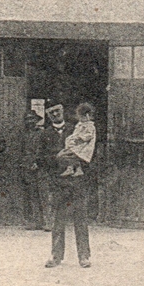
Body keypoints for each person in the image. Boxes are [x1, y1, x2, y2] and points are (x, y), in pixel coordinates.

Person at [42, 103, 92, 268]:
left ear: (63, 111)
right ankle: (56, 256)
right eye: (51, 112)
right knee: (58, 219)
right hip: (58, 181)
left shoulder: (77, 129)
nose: (55, 114)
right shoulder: (44, 134)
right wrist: (56, 157)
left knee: (81, 218)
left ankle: (84, 257)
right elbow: (40, 158)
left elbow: (88, 150)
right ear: (48, 115)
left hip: (77, 180)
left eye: (58, 110)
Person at [17, 110, 47, 230]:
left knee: (42, 194)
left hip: (40, 167)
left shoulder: (42, 133)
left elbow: (44, 150)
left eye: (32, 119)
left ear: (36, 120)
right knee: (30, 194)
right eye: (28, 119)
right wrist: (22, 163)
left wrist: (38, 162)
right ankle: (32, 221)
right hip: (26, 166)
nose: (30, 121)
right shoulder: (23, 134)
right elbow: (20, 150)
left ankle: (44, 221)